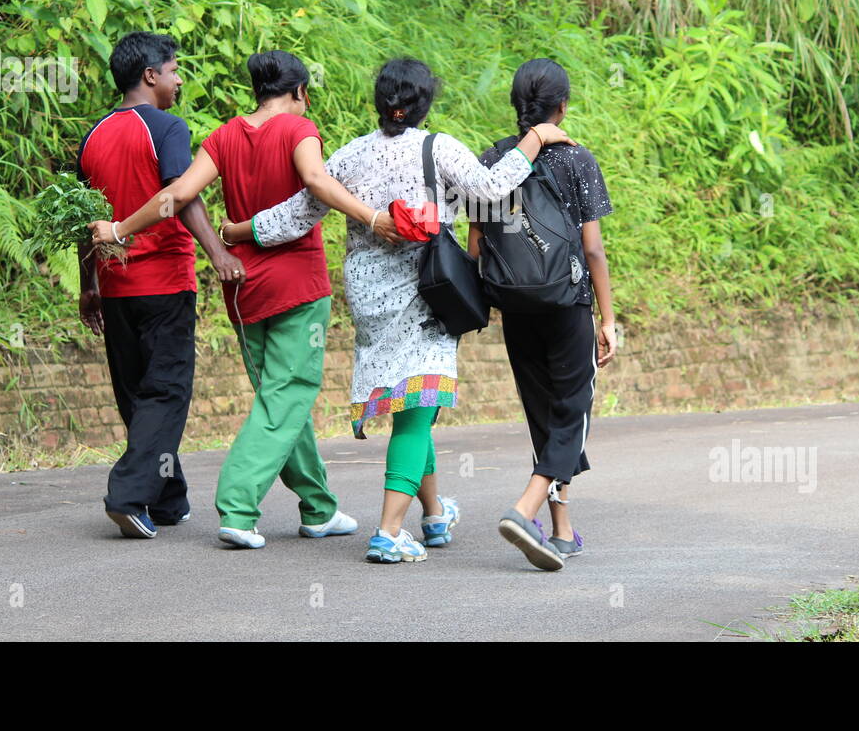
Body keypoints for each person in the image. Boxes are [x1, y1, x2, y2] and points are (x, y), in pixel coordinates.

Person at [234, 57, 573, 564]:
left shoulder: (350, 156)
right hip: (427, 292)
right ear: (424, 103)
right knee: (415, 411)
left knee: (414, 398)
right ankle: (389, 531)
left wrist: (239, 231)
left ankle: (434, 514)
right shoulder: (437, 149)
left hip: (369, 296)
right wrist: (537, 138)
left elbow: (298, 213)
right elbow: (490, 189)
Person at [90, 50, 399, 550]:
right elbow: (317, 181)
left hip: (244, 290)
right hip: (297, 287)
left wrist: (121, 228)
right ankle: (237, 506)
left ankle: (318, 508)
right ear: (299, 92)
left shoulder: (224, 136)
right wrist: (372, 218)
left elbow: (177, 195)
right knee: (288, 394)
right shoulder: (301, 130)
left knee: (279, 399)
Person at [75, 31, 243, 539]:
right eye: (173, 71)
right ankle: (127, 497)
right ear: (150, 75)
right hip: (165, 281)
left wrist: (89, 285)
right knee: (165, 392)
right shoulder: (167, 127)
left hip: (116, 285)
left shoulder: (93, 135)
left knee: (136, 395)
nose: (178, 79)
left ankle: (167, 497)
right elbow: (180, 193)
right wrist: (218, 252)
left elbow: (84, 220)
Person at [468, 58, 616, 571]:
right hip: (568, 300)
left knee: (542, 411)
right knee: (572, 408)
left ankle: (561, 529)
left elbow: (477, 242)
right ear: (563, 106)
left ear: (517, 107)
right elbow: (593, 250)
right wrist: (608, 316)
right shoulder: (577, 160)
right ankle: (525, 508)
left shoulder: (495, 160)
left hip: (516, 304)